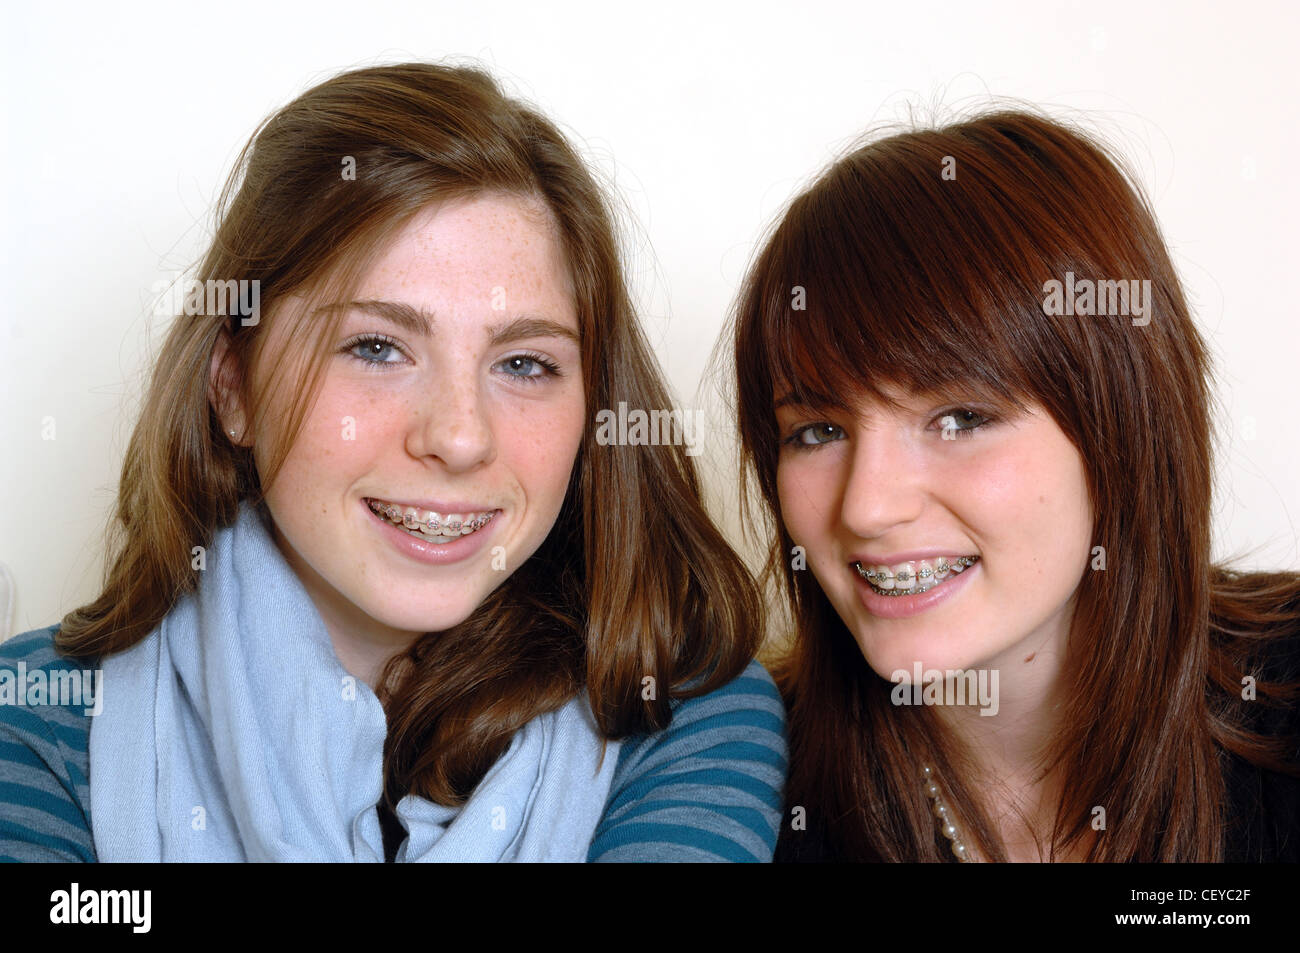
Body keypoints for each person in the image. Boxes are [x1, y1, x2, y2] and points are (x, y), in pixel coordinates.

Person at [0, 62, 786, 862]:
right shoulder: (33, 721)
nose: (458, 436)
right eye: (376, 347)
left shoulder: (682, 714)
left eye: (524, 364)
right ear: (233, 385)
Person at [728, 109, 1300, 862]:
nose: (866, 507)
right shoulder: (736, 785)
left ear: (1122, 426)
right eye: (818, 431)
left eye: (961, 417)